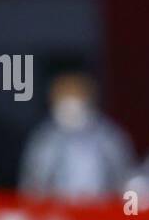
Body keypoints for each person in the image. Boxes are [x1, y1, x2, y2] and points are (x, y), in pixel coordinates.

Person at [18, 70, 135, 201]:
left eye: (75, 104)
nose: (70, 111)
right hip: (58, 214)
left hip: (101, 211)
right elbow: (32, 186)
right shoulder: (45, 139)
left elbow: (124, 178)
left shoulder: (108, 136)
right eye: (64, 105)